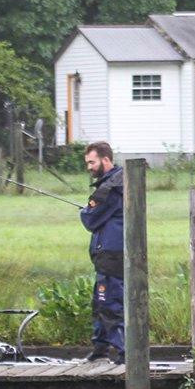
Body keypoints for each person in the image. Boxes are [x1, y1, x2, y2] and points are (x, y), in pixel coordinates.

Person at [79, 141, 125, 363]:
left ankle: (124, 353)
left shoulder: (108, 189)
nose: (89, 167)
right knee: (100, 302)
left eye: (92, 162)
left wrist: (83, 211)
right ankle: (100, 349)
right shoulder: (119, 181)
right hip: (110, 255)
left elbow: (90, 219)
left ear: (105, 160)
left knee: (110, 304)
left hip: (110, 257)